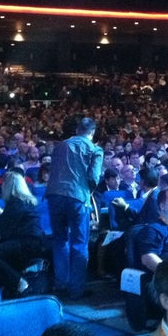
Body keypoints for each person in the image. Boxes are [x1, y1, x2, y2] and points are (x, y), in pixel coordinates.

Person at [46, 117, 103, 300]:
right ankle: (76, 290)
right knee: (79, 242)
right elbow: (94, 178)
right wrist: (88, 192)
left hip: (54, 195)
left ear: (77, 129)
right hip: (77, 197)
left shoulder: (61, 145)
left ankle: (61, 283)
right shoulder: (95, 149)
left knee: (59, 240)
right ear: (92, 132)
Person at [0, 171, 44, 298]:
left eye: (3, 184)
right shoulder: (24, 201)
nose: (1, 186)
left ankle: (20, 283)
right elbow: (5, 220)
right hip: (32, 241)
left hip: (27, 243)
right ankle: (6, 286)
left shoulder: (16, 203)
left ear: (9, 186)